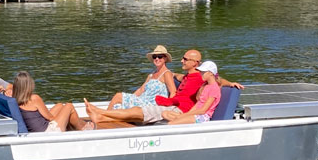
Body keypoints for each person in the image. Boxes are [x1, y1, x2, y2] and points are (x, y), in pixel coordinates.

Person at [85, 50, 242, 125]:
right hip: (172, 106)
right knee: (141, 111)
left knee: (142, 111)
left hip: (180, 110)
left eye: (185, 59)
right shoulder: (185, 76)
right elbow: (172, 75)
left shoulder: (202, 78)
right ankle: (102, 117)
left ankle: (101, 113)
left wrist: (231, 84)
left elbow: (217, 79)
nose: (182, 61)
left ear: (195, 63)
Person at [12, 71, 94, 132]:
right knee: (69, 106)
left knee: (59, 105)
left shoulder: (15, 100)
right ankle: (82, 127)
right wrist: (64, 117)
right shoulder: (34, 98)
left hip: (37, 129)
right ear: (29, 84)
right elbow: (50, 118)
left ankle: (76, 125)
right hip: (48, 131)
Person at [107, 45, 177, 110]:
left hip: (152, 105)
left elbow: (173, 92)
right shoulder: (151, 75)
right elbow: (141, 90)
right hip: (143, 101)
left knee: (118, 96)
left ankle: (103, 115)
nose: (157, 58)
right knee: (119, 105)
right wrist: (130, 98)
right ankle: (106, 117)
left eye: (160, 56)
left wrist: (169, 108)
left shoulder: (166, 73)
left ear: (165, 58)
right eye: (154, 56)